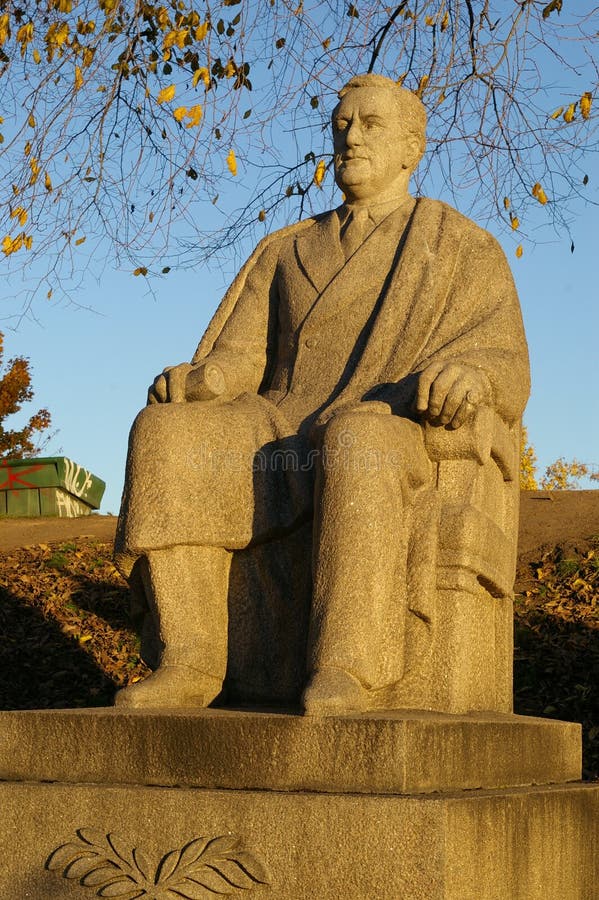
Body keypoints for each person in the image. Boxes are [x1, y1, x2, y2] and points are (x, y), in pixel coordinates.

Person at [114, 73, 529, 715]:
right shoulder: (285, 248)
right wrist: (206, 380)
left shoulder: (457, 245)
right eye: (341, 125)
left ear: (411, 147)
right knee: (167, 431)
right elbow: (240, 356)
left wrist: (472, 373)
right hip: (279, 421)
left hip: (390, 420)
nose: (349, 137)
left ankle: (347, 666)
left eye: (369, 125)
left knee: (356, 440)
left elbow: (502, 354)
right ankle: (190, 657)